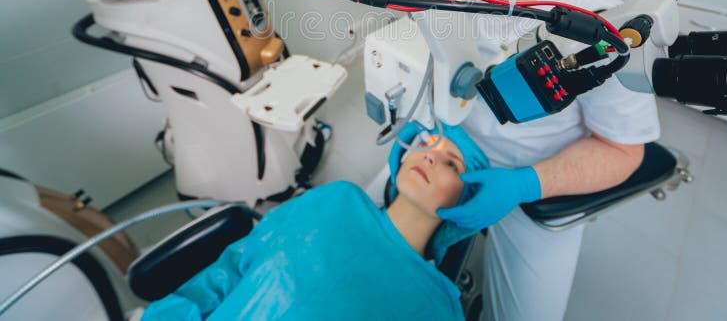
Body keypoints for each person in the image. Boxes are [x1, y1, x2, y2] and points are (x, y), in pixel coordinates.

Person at [436, 0, 661, 321]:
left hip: (537, 173)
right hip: (455, 140)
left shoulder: (602, 22)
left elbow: (624, 152)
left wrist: (525, 184)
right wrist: (425, 128)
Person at [141, 124, 489, 321]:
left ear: (468, 203)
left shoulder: (437, 308)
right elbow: (229, 271)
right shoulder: (336, 200)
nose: (429, 154)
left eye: (451, 164)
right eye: (428, 143)